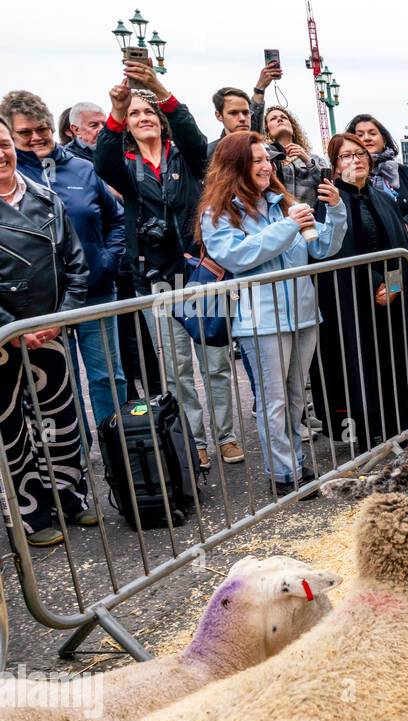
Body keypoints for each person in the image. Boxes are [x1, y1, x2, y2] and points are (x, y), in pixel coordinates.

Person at [95, 60, 243, 468]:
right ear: (128, 124)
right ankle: (193, 440)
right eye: (136, 115)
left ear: (162, 121)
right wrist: (118, 108)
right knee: (178, 369)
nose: (144, 119)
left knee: (213, 360)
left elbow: (194, 135)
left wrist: (156, 86)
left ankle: (227, 436)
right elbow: (101, 162)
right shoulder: (125, 166)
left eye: (150, 114)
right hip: (155, 279)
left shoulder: (189, 158)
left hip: (200, 272)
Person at [198, 131, 345, 496]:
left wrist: (337, 211)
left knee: (296, 396)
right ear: (236, 166)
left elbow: (322, 247)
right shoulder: (218, 213)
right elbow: (238, 256)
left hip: (303, 314)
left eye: (267, 159)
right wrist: (289, 225)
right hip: (261, 321)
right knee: (273, 401)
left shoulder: (283, 204)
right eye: (258, 160)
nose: (267, 166)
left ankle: (294, 459)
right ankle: (284, 473)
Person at [3, 90, 128, 433]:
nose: (36, 137)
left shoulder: (83, 168)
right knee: (61, 385)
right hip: (44, 307)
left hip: (95, 293)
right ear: (11, 137)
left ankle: (119, 453)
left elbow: (117, 218)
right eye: (25, 133)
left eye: (41, 128)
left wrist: (108, 258)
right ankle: (78, 457)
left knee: (108, 378)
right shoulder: (12, 179)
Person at [0, 116, 95, 547]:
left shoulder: (44, 195)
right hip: (4, 339)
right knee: (10, 427)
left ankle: (68, 496)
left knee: (59, 418)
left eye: (3, 143)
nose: (1, 153)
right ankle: (28, 513)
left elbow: (76, 264)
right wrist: (12, 328)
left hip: (50, 328)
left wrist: (61, 316)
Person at [311, 132, 408, 451]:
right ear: (334, 164)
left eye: (360, 154)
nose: (355, 161)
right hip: (350, 303)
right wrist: (374, 284)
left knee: (392, 361)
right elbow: (338, 253)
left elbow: (401, 248)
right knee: (358, 366)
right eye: (346, 156)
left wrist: (394, 287)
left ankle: (397, 425)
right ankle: (364, 431)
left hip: (389, 301)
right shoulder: (328, 202)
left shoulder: (382, 198)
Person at [345, 114, 408, 244]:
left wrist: (403, 226)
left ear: (384, 140)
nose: (366, 138)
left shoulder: (402, 172)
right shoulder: (348, 176)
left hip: (405, 248)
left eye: (372, 133)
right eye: (359, 135)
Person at [206, 60, 281, 159]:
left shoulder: (269, 153)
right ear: (219, 115)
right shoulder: (210, 154)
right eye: (233, 113)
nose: (242, 118)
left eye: (246, 112)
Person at [263, 105, 329, 206]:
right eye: (273, 118)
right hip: (279, 218)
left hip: (311, 218)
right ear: (267, 131)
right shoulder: (265, 157)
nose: (280, 119)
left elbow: (328, 185)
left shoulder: (315, 159)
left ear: (293, 127)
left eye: (284, 117)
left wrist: (307, 160)